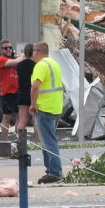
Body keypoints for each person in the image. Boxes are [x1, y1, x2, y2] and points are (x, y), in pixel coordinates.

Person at [28, 42, 65, 183]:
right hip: (56, 107)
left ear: (37, 51)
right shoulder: (54, 64)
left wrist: (33, 104)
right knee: (47, 140)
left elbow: (35, 86)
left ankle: (55, 172)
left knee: (48, 141)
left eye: (33, 51)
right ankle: (50, 170)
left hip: (44, 107)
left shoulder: (40, 65)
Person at [0, 40, 23, 127]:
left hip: (17, 92)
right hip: (7, 93)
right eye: (5, 48)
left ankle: (18, 138)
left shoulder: (13, 58)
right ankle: (4, 140)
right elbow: (16, 62)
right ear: (1, 50)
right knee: (7, 118)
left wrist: (18, 56)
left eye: (10, 47)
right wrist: (23, 55)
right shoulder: (0, 60)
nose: (8, 49)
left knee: (20, 117)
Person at [11, 43, 38, 135]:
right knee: (35, 120)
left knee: (22, 120)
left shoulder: (19, 65)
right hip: (32, 94)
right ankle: (39, 143)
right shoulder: (36, 65)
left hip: (22, 93)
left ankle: (19, 142)